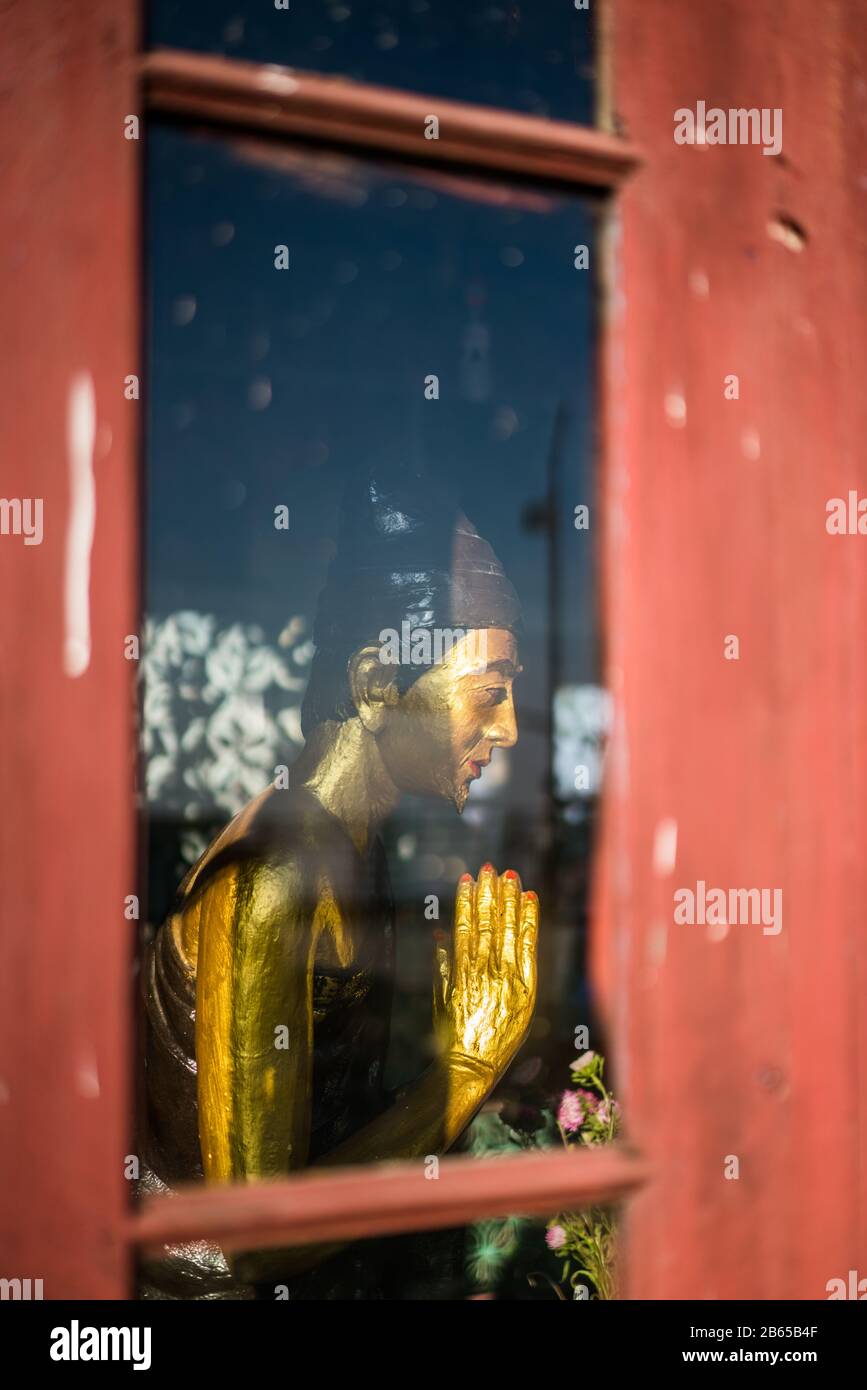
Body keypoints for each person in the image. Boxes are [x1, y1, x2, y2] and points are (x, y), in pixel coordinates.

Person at [138, 468, 540, 1298]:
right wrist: (464, 1069)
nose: (504, 727)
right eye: (488, 693)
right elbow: (252, 1242)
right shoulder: (272, 881)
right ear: (372, 685)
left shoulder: (360, 852)